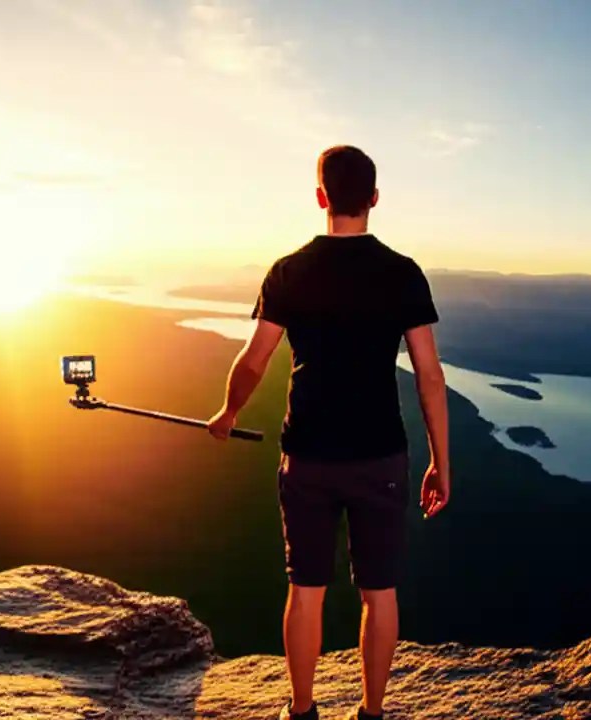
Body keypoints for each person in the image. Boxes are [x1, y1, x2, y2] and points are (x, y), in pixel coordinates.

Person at [207, 145, 450, 720]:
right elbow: (430, 377)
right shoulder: (402, 273)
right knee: (379, 591)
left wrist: (228, 413)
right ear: (373, 199)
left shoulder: (289, 271)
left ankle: (302, 710)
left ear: (321, 197)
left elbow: (253, 360)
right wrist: (442, 461)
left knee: (305, 589)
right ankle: (371, 712)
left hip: (308, 456)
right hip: (380, 456)